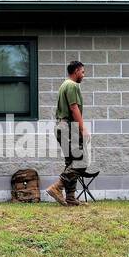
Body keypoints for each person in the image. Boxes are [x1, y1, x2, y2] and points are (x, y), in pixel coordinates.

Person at [47, 60, 87, 207]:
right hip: (68, 127)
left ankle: (70, 197)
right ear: (76, 71)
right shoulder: (72, 85)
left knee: (71, 162)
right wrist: (83, 129)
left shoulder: (64, 85)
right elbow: (74, 108)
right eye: (82, 72)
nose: (83, 75)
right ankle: (57, 187)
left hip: (62, 127)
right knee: (80, 161)